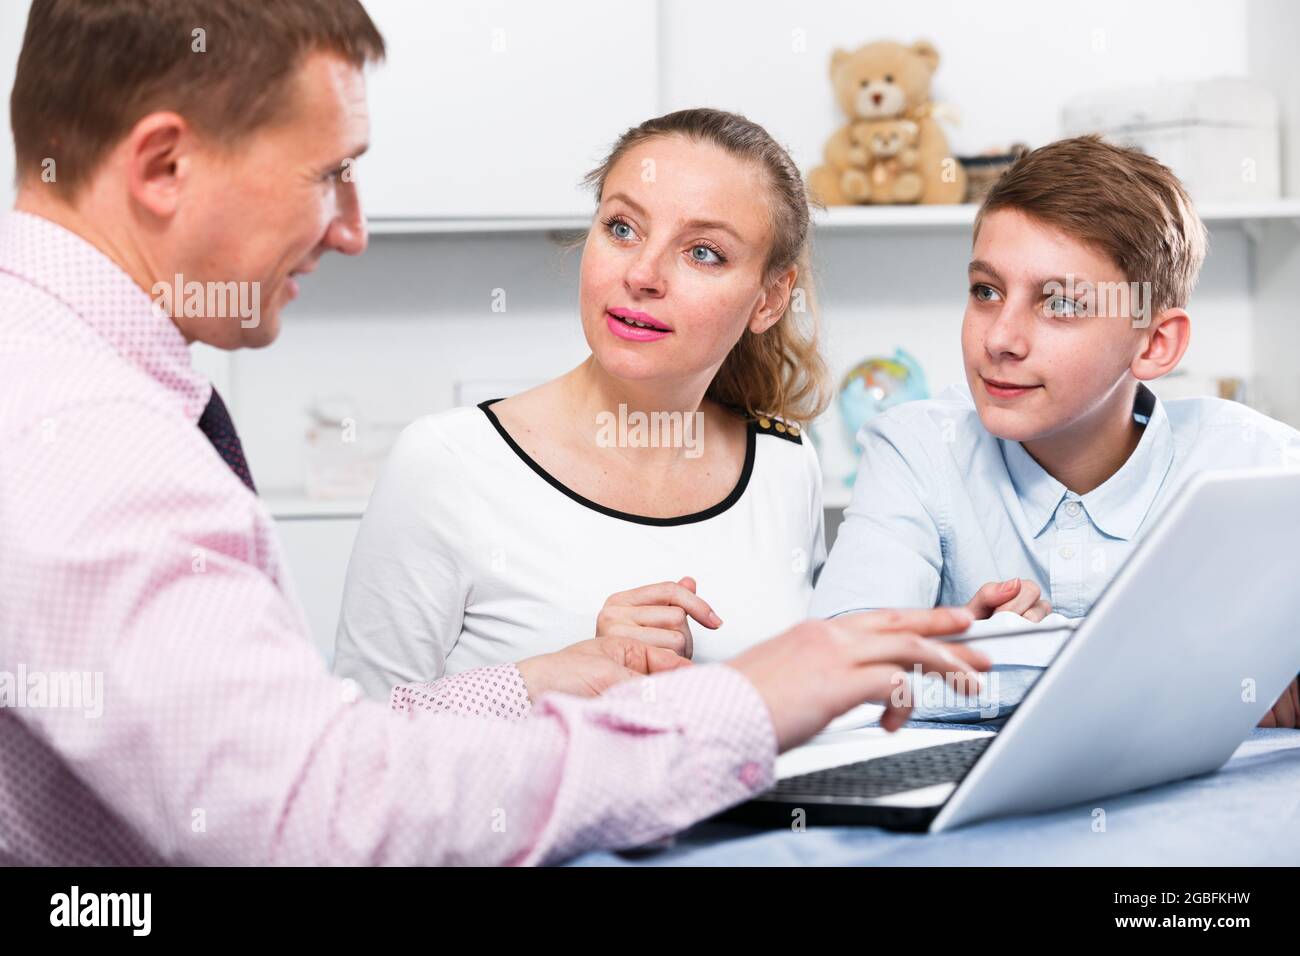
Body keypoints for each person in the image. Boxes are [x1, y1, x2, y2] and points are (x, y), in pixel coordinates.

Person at [0, 0, 989, 866]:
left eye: (701, 250)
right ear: (164, 165)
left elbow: (320, 749)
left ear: (770, 296)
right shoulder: (90, 436)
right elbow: (316, 813)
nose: (352, 228)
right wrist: (741, 704)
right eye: (328, 174)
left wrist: (540, 682)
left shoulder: (74, 381)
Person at [334, 108, 831, 702]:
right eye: (623, 228)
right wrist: (542, 683)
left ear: (771, 299)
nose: (642, 274)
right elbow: (353, 746)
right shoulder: (446, 463)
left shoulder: (786, 465)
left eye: (703, 252)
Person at [810, 136, 1300, 728]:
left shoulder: (1261, 466)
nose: (1000, 339)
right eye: (986, 292)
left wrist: (980, 667)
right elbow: (833, 678)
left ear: (1155, 343)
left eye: (1061, 304)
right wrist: (982, 653)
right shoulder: (916, 448)